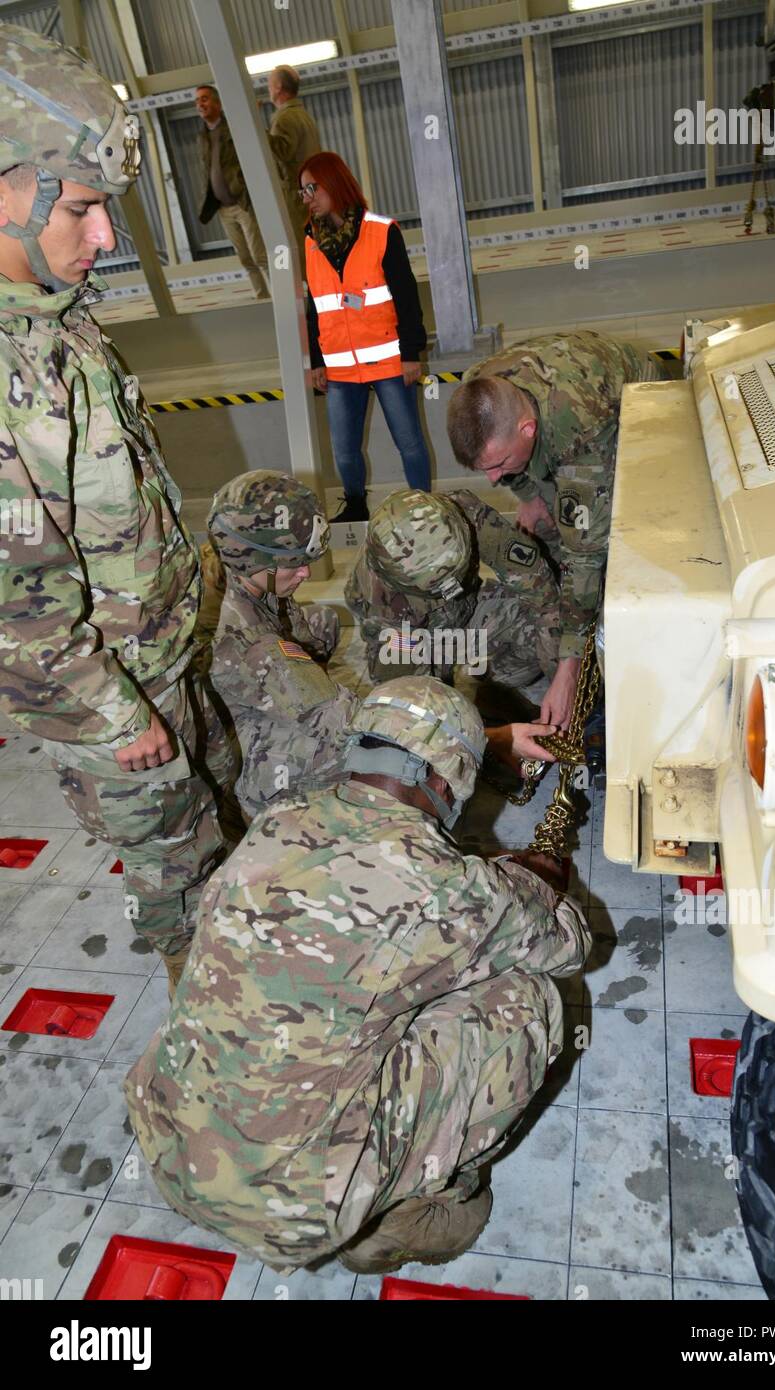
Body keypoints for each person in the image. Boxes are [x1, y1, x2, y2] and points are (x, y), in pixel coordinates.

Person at [124, 676, 591, 1275]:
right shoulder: (451, 889)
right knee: (524, 997)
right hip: (289, 1208)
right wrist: (533, 881)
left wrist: (483, 887)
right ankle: (403, 1214)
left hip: (170, 1143)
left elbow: (379, 896)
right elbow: (568, 945)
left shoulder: (279, 819)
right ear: (447, 778)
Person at [0, 25, 237, 996]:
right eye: (84, 209)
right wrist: (116, 717)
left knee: (213, 818)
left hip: (158, 658)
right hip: (111, 695)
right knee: (179, 880)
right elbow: (18, 612)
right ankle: (212, 1041)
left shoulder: (52, 317)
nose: (105, 239)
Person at [447, 332, 663, 727]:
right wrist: (530, 494)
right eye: (485, 469)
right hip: (561, 405)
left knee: (607, 539)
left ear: (528, 430)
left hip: (639, 400)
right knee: (553, 517)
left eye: (499, 464)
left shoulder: (579, 426)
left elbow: (585, 553)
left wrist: (568, 670)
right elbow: (517, 470)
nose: (493, 480)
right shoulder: (479, 391)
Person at [205, 470, 356, 821]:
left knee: (321, 622)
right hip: (217, 746)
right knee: (326, 748)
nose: (306, 573)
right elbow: (341, 721)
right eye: (294, 564)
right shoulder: (248, 640)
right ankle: (255, 812)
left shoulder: (233, 561)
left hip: (238, 685)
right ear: (254, 559)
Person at [302, 151, 431, 523]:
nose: (307, 198)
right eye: (302, 191)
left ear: (335, 183)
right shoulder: (310, 241)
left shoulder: (382, 231)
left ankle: (426, 508)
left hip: (388, 360)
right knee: (344, 452)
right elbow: (315, 306)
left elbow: (406, 297)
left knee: (409, 443)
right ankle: (356, 507)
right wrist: (316, 362)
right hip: (340, 366)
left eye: (312, 187)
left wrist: (411, 353)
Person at [345, 488, 560, 690]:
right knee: (408, 699)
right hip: (423, 642)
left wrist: (560, 681)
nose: (452, 585)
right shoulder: (378, 600)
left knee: (546, 626)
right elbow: (411, 690)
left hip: (468, 613)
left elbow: (542, 593)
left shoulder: (464, 514)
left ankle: (488, 687)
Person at [196, 84, 270, 301]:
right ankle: (262, 298)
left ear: (218, 103)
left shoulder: (233, 128)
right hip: (223, 209)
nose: (200, 104)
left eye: (204, 99)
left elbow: (249, 141)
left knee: (259, 255)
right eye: (197, 101)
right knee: (245, 258)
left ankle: (280, 296)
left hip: (242, 203)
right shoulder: (202, 137)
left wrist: (251, 116)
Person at [266, 64, 320, 271]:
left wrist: (259, 132)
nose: (268, 89)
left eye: (270, 84)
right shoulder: (302, 114)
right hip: (310, 189)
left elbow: (284, 152)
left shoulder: (285, 118)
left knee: (301, 245)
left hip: (295, 194)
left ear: (279, 87)